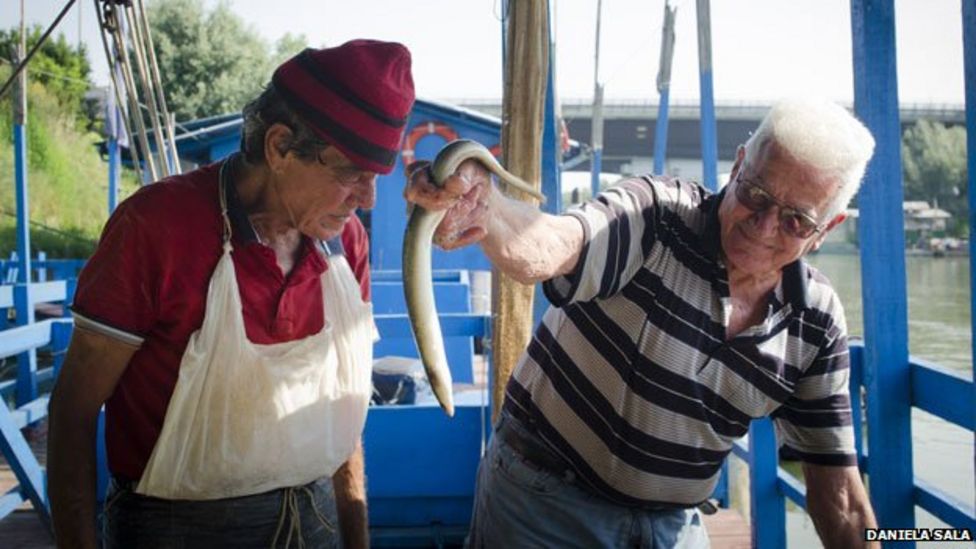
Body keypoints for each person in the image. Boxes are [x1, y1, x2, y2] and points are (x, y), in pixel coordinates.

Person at [406, 98, 880, 548]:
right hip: (543, 504)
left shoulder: (815, 321)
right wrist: (485, 207)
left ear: (827, 229)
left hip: (673, 526)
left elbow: (840, 497)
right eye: (755, 194)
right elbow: (553, 244)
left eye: (796, 220)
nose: (765, 225)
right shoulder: (657, 216)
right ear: (738, 166)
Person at [47, 39, 415, 549]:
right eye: (351, 173)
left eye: (375, 178)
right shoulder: (156, 227)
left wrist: (356, 539)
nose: (368, 199)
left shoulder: (344, 242)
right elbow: (73, 411)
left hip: (316, 521)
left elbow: (340, 410)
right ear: (279, 146)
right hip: (177, 531)